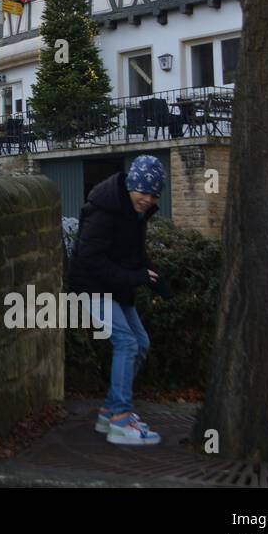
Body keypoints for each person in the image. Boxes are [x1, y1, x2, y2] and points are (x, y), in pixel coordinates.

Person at [69, 155, 170, 446]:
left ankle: (110, 411)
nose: (148, 199)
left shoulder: (135, 212)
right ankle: (121, 420)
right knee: (126, 342)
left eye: (154, 195)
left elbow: (134, 256)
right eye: (144, 192)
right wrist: (134, 277)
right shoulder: (105, 209)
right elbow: (90, 260)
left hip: (115, 287)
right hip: (90, 286)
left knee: (141, 344)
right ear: (131, 186)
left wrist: (157, 281)